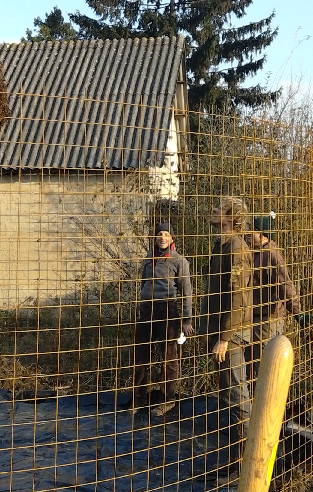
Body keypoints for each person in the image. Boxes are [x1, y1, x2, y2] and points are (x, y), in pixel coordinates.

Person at [200, 197, 253, 463]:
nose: (213, 210)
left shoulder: (236, 249)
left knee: (236, 393)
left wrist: (224, 338)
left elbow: (238, 296)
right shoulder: (220, 246)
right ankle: (234, 453)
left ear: (231, 217)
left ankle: (244, 459)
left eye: (219, 208)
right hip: (220, 333)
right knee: (227, 393)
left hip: (230, 336)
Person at [127, 221, 194, 416]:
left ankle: (167, 400)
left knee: (168, 356)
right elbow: (143, 283)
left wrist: (187, 319)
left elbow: (186, 291)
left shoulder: (179, 261)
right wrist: (142, 304)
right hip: (147, 310)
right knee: (140, 355)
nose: (162, 237)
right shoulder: (149, 258)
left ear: (172, 238)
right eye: (159, 234)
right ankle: (138, 399)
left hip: (168, 310)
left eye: (166, 234)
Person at [249, 213, 300, 385]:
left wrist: (297, 312)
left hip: (268, 320)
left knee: (263, 365)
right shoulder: (254, 252)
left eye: (252, 231)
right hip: (254, 317)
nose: (248, 234)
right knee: (252, 363)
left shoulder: (271, 255)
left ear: (262, 234)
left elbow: (285, 284)